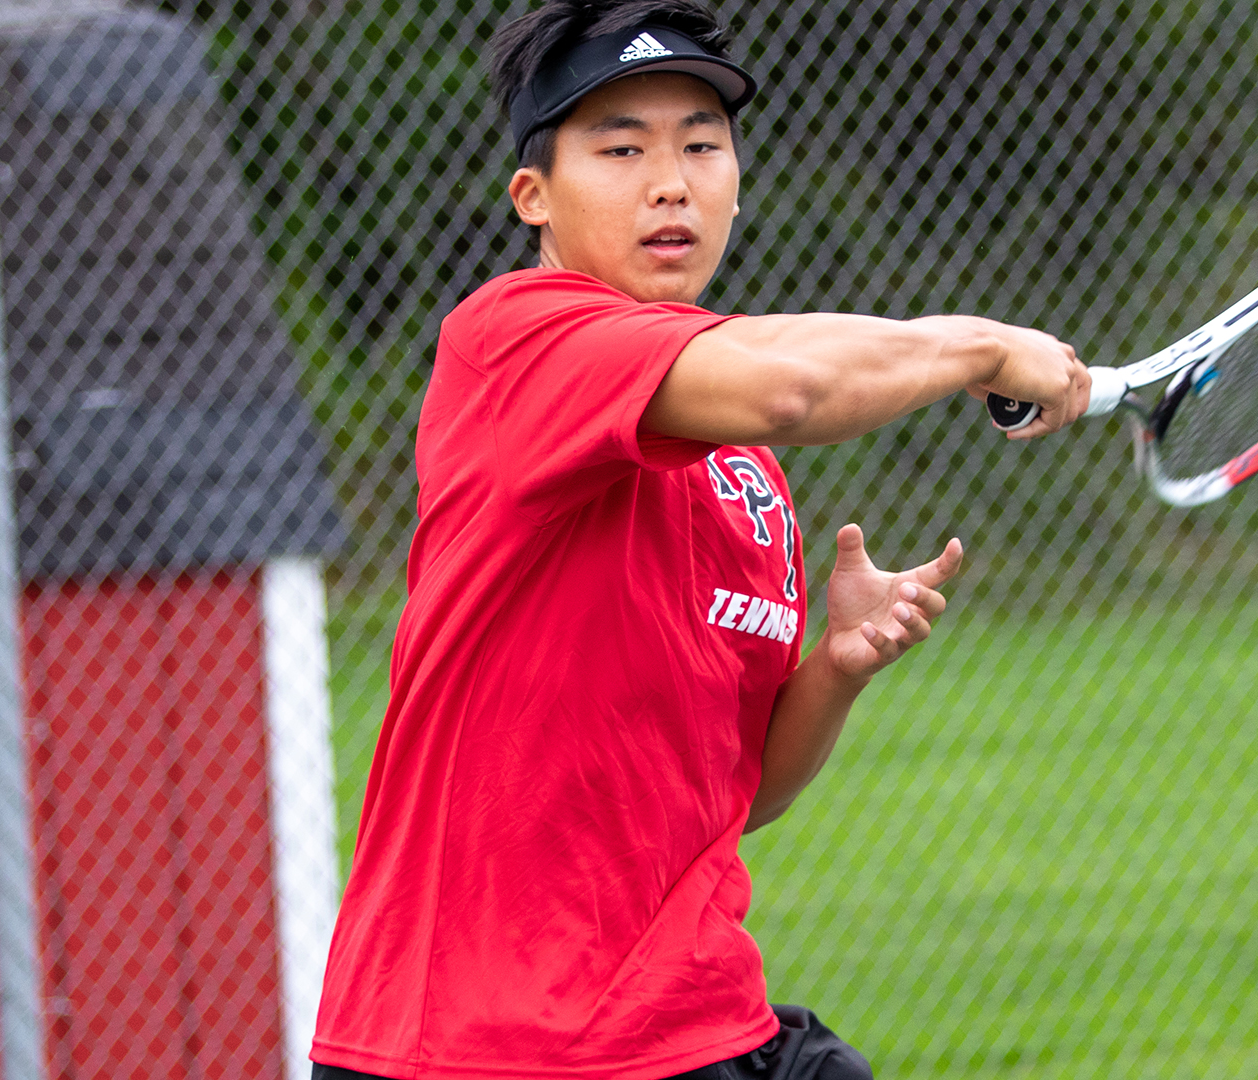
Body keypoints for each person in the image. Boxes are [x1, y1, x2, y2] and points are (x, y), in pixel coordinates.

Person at [309, 1, 1090, 1077]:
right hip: (488, 1043)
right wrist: (988, 347)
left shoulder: (742, 476)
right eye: (621, 147)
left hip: (696, 1020)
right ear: (533, 197)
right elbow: (794, 382)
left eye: (700, 145)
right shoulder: (517, 338)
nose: (669, 180)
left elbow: (739, 792)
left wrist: (837, 670)